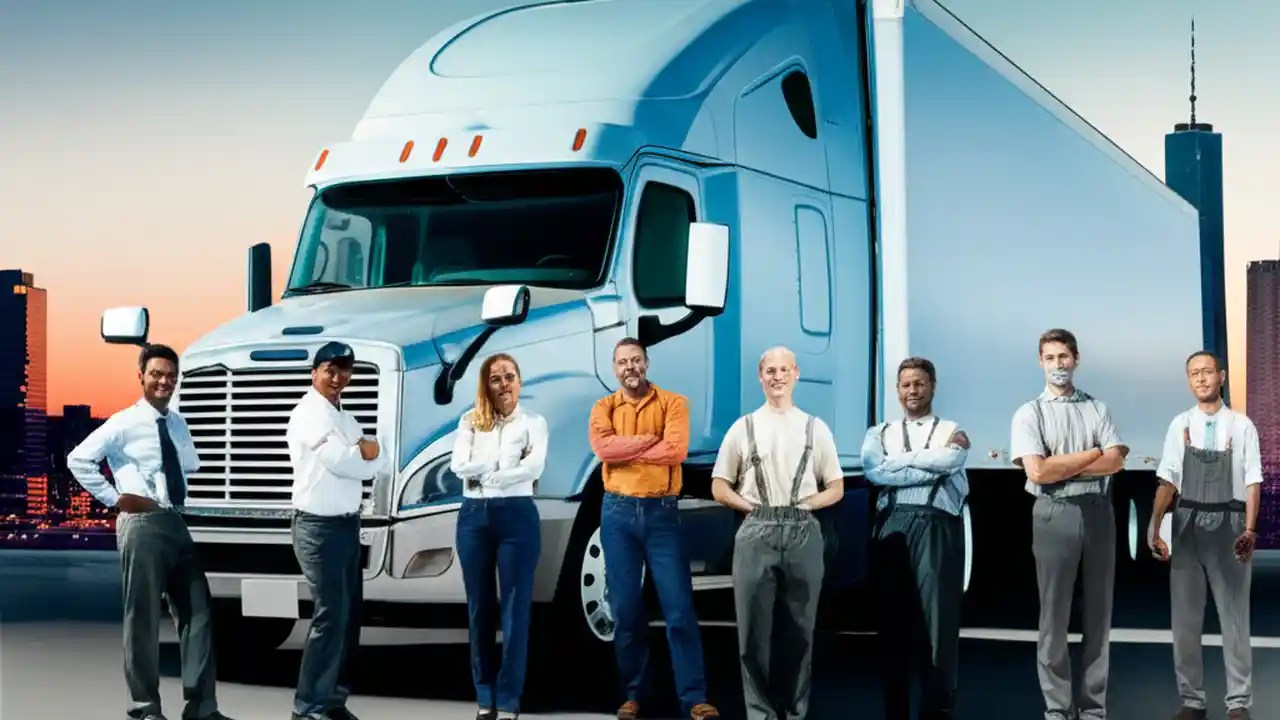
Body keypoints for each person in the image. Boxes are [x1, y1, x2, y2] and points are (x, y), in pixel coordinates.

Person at [67, 343, 234, 720]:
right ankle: (144, 708)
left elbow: (190, 464)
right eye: (156, 374)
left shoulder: (177, 423)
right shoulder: (123, 423)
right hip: (141, 523)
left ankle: (202, 707)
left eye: (171, 376)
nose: (164, 381)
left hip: (175, 519)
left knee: (198, 612)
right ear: (141, 376)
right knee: (142, 618)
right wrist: (115, 498)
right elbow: (78, 459)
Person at [587, 337, 719, 720]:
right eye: (623, 362)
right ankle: (633, 695)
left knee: (679, 608)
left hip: (662, 515)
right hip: (618, 514)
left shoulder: (674, 403)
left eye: (636, 360)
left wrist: (626, 448)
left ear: (646, 363)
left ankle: (694, 698)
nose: (630, 367)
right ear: (615, 369)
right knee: (626, 609)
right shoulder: (603, 408)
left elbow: (675, 451)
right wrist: (648, 441)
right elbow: (603, 450)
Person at [710, 346, 844, 720]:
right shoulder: (744, 427)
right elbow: (719, 485)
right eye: (770, 370)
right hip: (757, 529)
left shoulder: (815, 428)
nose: (778, 376)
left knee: (800, 634)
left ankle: (795, 711)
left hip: (803, 528)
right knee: (754, 635)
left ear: (796, 373)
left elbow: (836, 486)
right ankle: (761, 713)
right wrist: (750, 508)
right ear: (760, 376)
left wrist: (810, 505)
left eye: (784, 369)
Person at [1010, 328, 1128, 720]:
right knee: (1054, 615)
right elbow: (1038, 472)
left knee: (1099, 614)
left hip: (1098, 511)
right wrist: (1093, 453)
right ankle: (1058, 708)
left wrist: (1062, 464)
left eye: (1063, 356)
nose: (1057, 364)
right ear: (1040, 362)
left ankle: (1093, 708)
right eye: (1050, 357)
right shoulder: (1030, 413)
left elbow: (1116, 461)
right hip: (1054, 512)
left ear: (1076, 359)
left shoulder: (1097, 408)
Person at [1148, 351, 1263, 720]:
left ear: (1221, 376)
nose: (1201, 378)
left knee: (1234, 618)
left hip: (1230, 523)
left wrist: (1250, 529)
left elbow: (1252, 481)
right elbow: (1168, 478)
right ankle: (1192, 700)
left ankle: (1238, 702)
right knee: (1184, 620)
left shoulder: (1242, 426)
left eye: (1207, 372)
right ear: (1189, 380)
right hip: (1187, 523)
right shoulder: (1179, 425)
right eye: (1194, 373)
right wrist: (1155, 525)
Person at [861, 357, 969, 720]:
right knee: (892, 622)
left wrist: (899, 462)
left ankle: (937, 711)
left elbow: (950, 462)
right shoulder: (879, 432)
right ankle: (896, 711)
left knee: (938, 623)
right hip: (892, 525)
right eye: (906, 384)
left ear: (932, 386)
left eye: (920, 383)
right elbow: (873, 470)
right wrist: (926, 464)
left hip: (935, 525)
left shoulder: (951, 428)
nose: (913, 390)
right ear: (897, 389)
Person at [285, 341, 387, 720]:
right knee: (329, 615)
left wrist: (367, 454)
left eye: (345, 370)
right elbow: (346, 462)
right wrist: (365, 453)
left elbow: (377, 459)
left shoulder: (345, 418)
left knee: (347, 616)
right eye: (330, 369)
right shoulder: (309, 414)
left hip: (346, 525)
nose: (338, 377)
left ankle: (332, 701)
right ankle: (308, 706)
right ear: (314, 372)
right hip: (317, 528)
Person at [450, 352, 548, 720]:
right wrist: (502, 466)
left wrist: (491, 474)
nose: (503, 384)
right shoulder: (469, 421)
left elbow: (534, 467)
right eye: (495, 378)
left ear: (519, 381)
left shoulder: (534, 422)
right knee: (479, 608)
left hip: (517, 516)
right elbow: (458, 465)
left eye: (509, 376)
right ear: (486, 385)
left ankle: (509, 700)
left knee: (515, 609)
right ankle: (484, 696)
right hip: (474, 517)